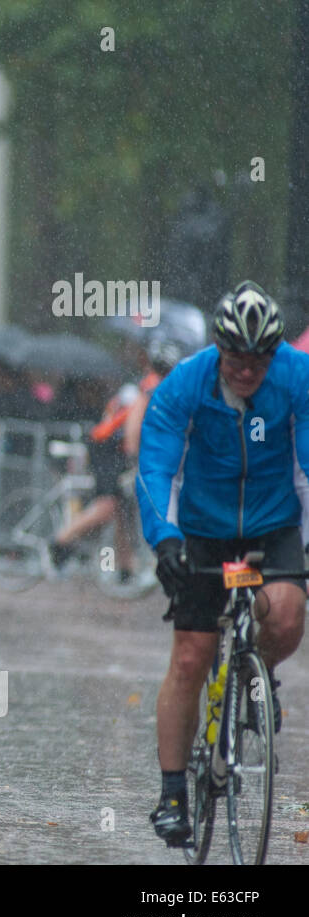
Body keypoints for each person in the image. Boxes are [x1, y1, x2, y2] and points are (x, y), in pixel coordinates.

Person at [136, 280, 309, 847]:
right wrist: (164, 540)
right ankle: (171, 791)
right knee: (191, 655)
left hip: (271, 525)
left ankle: (258, 682)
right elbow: (155, 467)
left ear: (274, 353)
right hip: (204, 533)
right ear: (219, 349)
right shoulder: (185, 383)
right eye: (236, 359)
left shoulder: (296, 377)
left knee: (285, 616)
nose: (247, 370)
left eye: (259, 360)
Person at [51, 335, 183, 575]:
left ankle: (126, 567)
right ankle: (62, 540)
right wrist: (133, 459)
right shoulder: (152, 387)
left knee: (124, 509)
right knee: (109, 505)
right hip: (110, 450)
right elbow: (133, 424)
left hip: (109, 446)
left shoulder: (143, 384)